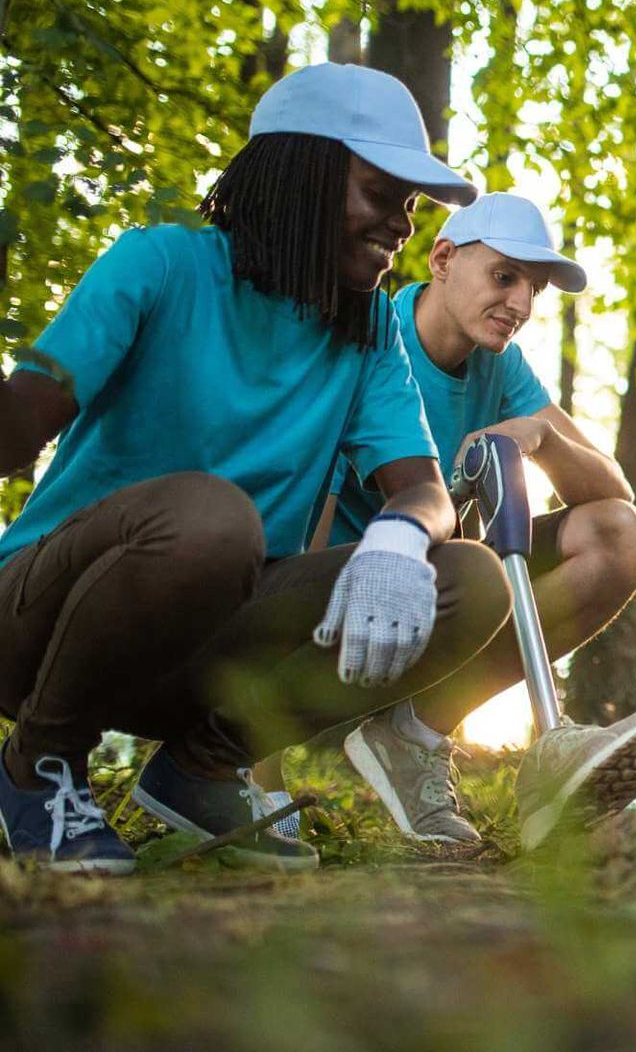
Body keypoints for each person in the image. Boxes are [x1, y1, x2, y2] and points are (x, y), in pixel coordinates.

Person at [0, 62, 511, 872]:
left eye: (411, 208)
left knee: (471, 581)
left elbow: (421, 488)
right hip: (39, 623)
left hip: (200, 643)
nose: (402, 227)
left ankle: (203, 767)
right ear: (301, 175)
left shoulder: (368, 331)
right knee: (214, 520)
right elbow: (27, 410)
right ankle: (40, 760)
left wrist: (397, 541)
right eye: (384, 196)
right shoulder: (160, 266)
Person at [270, 192, 636, 851]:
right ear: (443, 259)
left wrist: (537, 433)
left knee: (621, 535)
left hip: (452, 593)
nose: (521, 304)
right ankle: (256, 760)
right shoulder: (368, 337)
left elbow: (615, 490)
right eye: (505, 277)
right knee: (470, 566)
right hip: (347, 609)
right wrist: (260, 760)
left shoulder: (500, 364)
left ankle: (415, 736)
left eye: (534, 289)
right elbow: (301, 516)